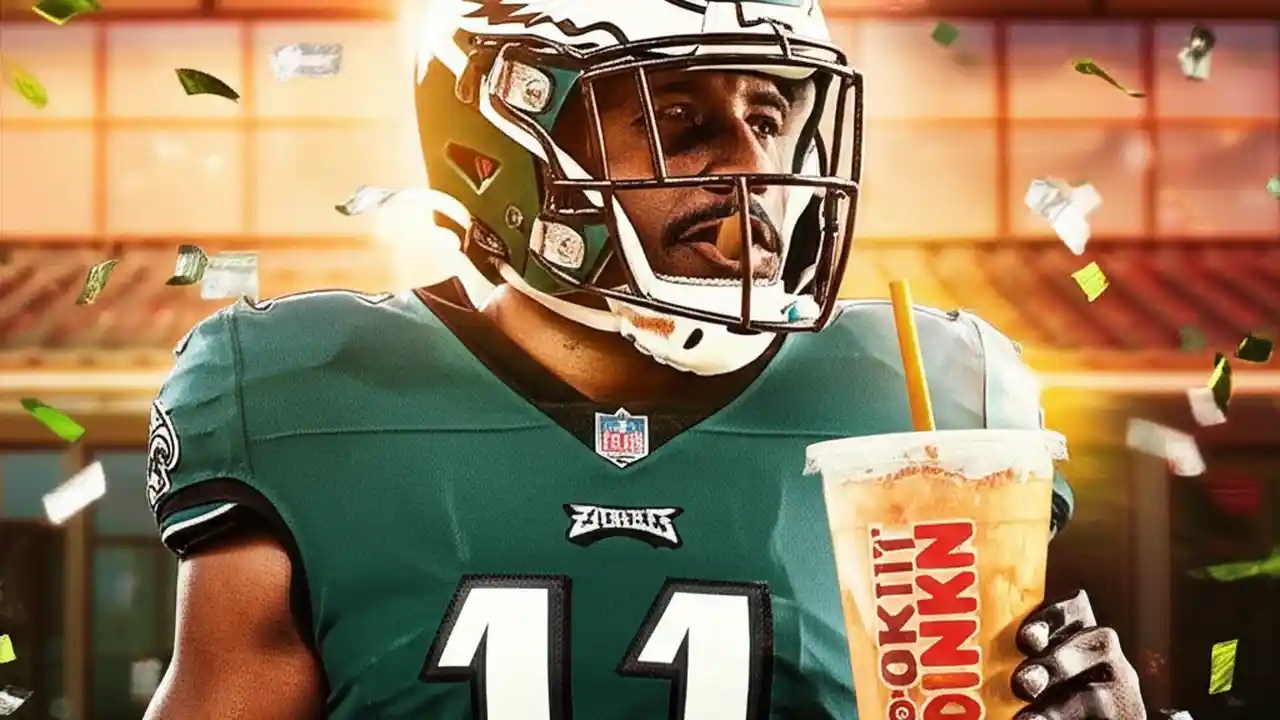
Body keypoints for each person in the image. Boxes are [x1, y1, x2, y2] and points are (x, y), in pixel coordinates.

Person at [143, 1, 1147, 718]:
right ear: (503, 152)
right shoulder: (302, 391)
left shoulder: (928, 399)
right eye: (678, 122)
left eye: (768, 117)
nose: (753, 167)